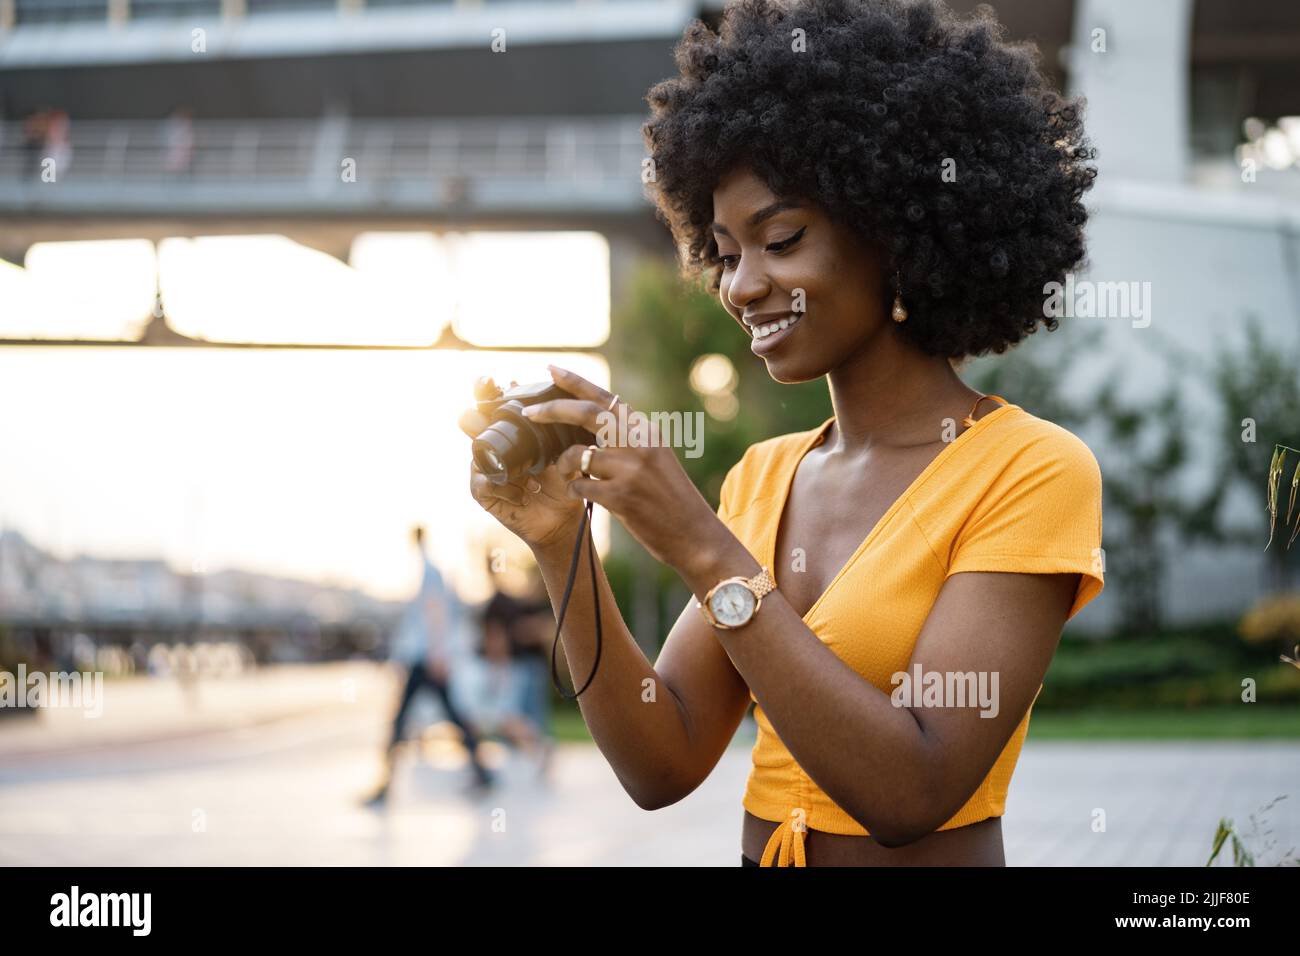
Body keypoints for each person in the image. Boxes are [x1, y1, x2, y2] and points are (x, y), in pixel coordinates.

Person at [458, 0, 1104, 866]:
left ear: (896, 233)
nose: (742, 286)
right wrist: (561, 542)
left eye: (781, 239)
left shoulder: (1031, 470)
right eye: (725, 252)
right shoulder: (766, 477)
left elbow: (912, 791)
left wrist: (700, 546)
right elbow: (663, 759)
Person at [364, 526, 494, 805]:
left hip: (425, 659)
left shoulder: (429, 570)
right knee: (451, 716)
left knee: (402, 720)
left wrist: (437, 653)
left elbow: (435, 612)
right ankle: (482, 773)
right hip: (426, 657)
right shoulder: (430, 569)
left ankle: (385, 785)